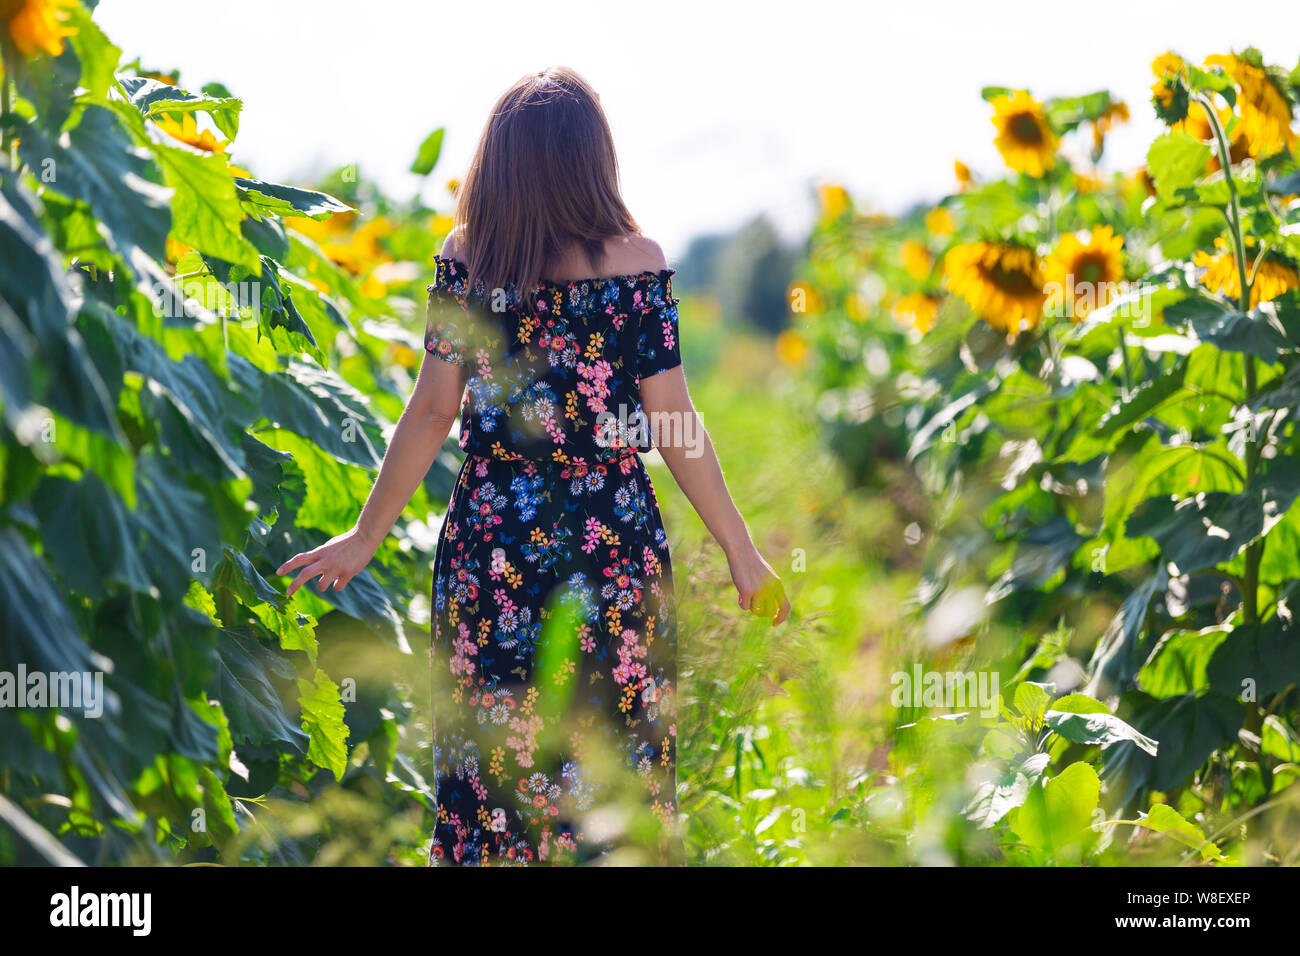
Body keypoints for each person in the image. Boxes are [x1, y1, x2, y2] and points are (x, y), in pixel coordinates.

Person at [276, 67, 789, 866]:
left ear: (499, 163)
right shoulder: (635, 265)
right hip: (612, 548)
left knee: (493, 779)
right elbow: (675, 425)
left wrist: (364, 534)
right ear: (593, 161)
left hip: (493, 548)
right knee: (618, 773)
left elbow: (431, 412)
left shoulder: (469, 261)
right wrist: (740, 549)